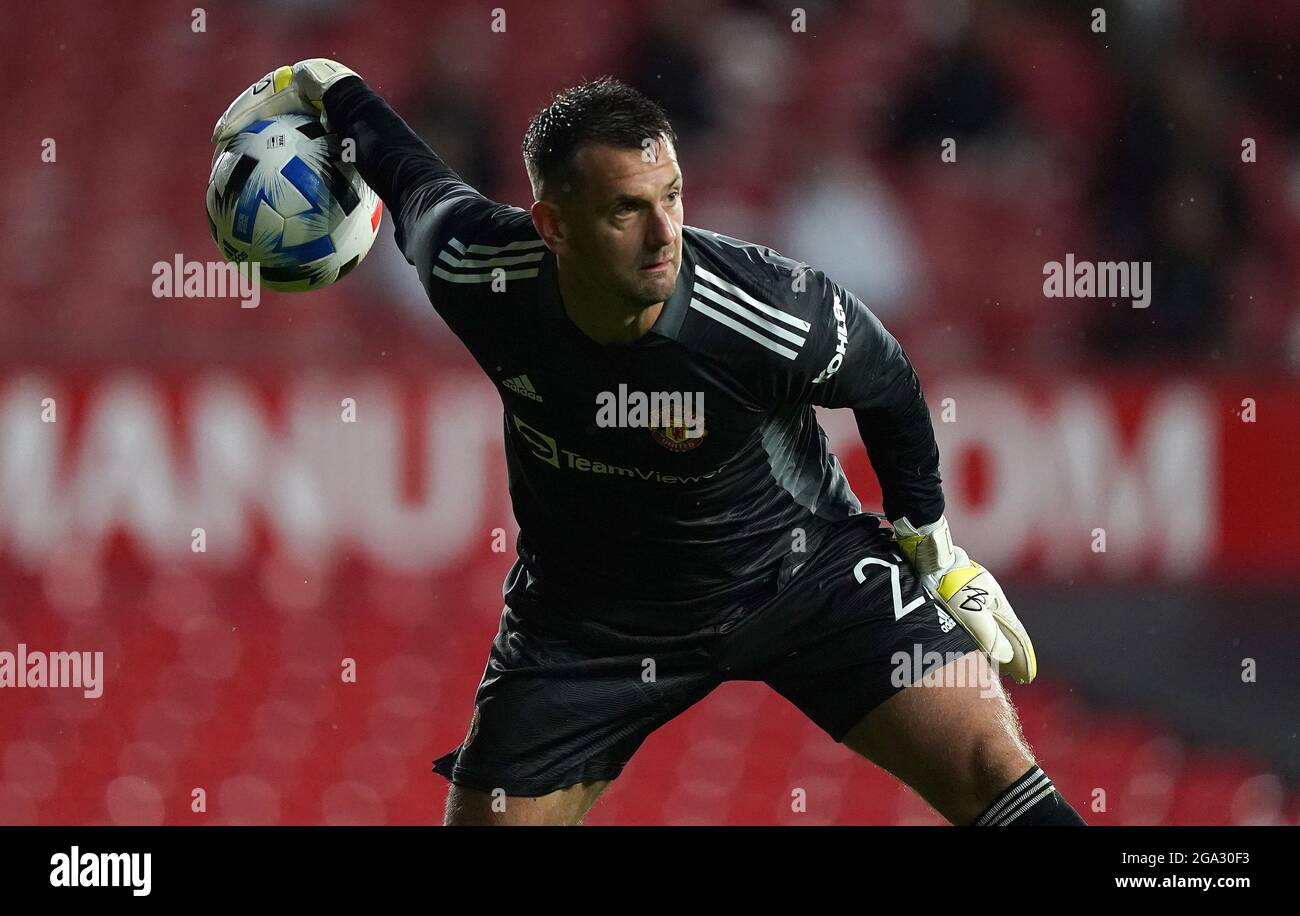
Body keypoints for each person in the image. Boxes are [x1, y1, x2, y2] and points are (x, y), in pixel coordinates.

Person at [212, 60, 1084, 826]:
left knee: (992, 776)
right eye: (629, 209)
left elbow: (887, 382)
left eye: (671, 197)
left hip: (799, 574)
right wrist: (324, 83)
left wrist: (932, 546)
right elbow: (403, 169)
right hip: (590, 621)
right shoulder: (476, 270)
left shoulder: (769, 309)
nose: (666, 234)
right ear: (553, 227)